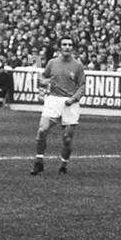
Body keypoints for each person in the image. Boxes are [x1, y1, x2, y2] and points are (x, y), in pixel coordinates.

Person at [31, 37, 86, 176]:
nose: (67, 47)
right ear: (60, 47)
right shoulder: (52, 62)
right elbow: (42, 77)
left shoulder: (78, 65)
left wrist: (74, 98)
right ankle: (39, 162)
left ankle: (63, 165)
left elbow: (82, 85)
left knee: (67, 138)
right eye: (64, 44)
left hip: (70, 103)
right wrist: (44, 82)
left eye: (69, 44)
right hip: (53, 100)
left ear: (72, 47)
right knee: (42, 130)